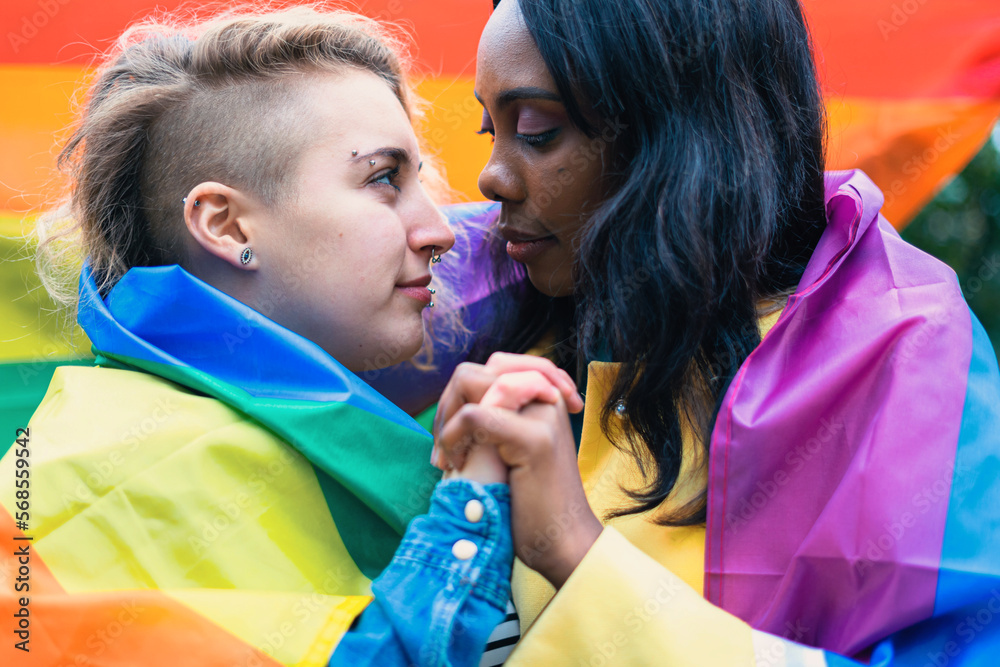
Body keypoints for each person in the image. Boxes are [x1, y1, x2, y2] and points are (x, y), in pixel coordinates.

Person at [418, 0, 1000, 664]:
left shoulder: (907, 353)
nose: (489, 177)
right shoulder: (487, 292)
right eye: (489, 129)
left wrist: (578, 555)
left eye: (537, 129)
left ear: (678, 126)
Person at [0, 7, 579, 666]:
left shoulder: (253, 406)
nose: (440, 230)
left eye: (419, 177)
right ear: (227, 227)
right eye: (383, 178)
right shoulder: (115, 466)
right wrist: (470, 504)